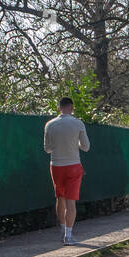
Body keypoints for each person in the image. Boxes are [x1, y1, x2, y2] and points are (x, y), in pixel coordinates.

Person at [43, 96, 90, 245]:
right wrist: (74, 142)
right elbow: (86, 147)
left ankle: (62, 229)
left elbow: (47, 149)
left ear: (59, 108)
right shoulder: (78, 124)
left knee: (60, 198)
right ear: (72, 107)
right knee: (71, 202)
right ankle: (68, 236)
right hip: (73, 165)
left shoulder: (49, 125)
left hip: (56, 165)